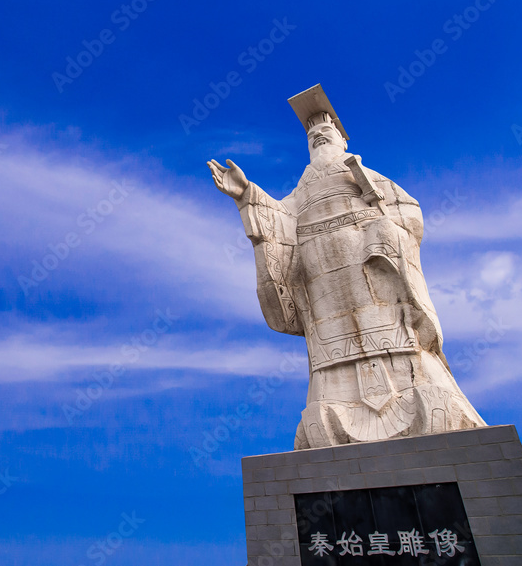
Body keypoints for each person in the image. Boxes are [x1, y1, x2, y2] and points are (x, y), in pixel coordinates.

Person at [207, 88, 484, 448]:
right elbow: (279, 223)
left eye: (326, 131)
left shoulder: (365, 176)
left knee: (400, 342)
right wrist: (247, 195)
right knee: (330, 354)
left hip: (371, 271)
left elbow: (410, 214)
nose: (318, 135)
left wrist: (381, 228)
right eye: (311, 136)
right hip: (324, 293)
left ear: (341, 139)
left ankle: (421, 395)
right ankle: (335, 406)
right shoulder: (302, 192)